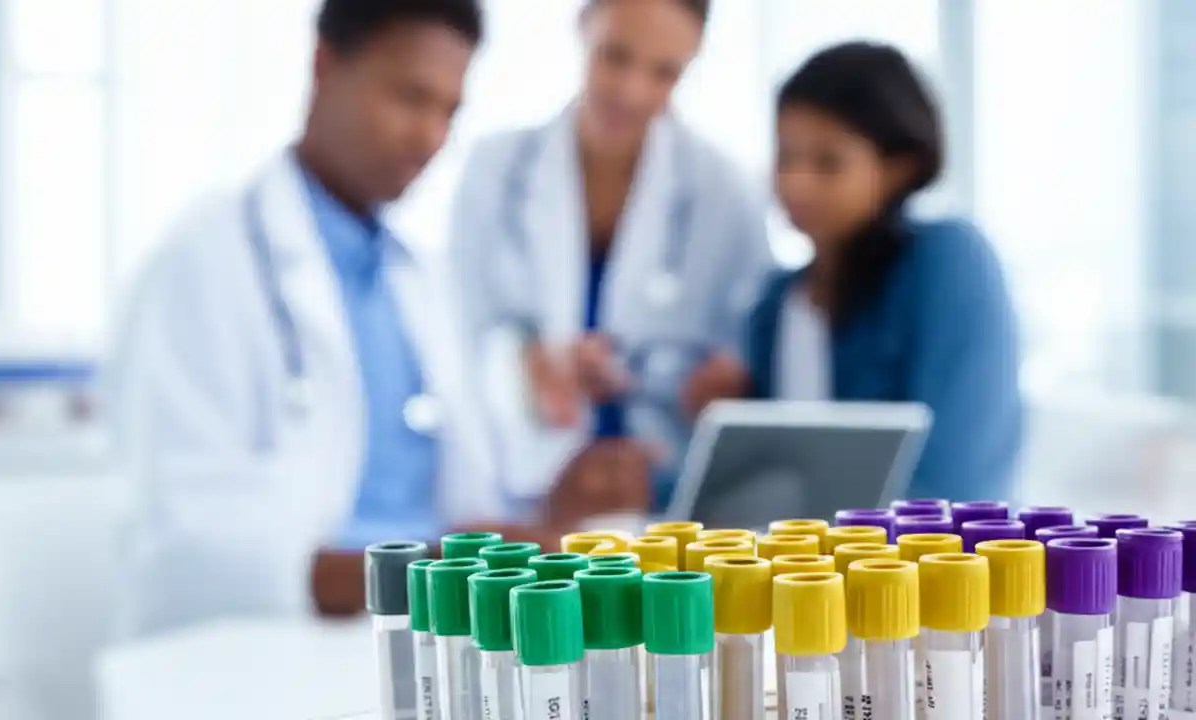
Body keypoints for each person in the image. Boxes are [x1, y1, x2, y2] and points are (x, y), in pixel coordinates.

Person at [110, 0, 638, 636]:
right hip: (268, 642)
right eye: (410, 98)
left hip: (410, 628)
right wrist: (417, 572)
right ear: (324, 65)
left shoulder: (414, 278)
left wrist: (552, 504)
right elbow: (184, 548)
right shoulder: (202, 264)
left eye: (449, 111)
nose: (429, 138)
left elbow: (453, 506)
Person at [451, 0, 772, 511]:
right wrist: (528, 367)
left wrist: (722, 380)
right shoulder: (495, 170)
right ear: (582, 26)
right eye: (614, 57)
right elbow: (460, 334)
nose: (631, 91)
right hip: (529, 488)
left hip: (669, 493)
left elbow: (752, 352)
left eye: (664, 72)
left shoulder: (727, 192)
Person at [688, 42, 1022, 501]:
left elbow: (954, 484)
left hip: (925, 565)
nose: (795, 183)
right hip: (807, 564)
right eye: (786, 157)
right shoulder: (775, 304)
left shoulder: (948, 261)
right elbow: (770, 474)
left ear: (898, 168)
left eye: (828, 162)